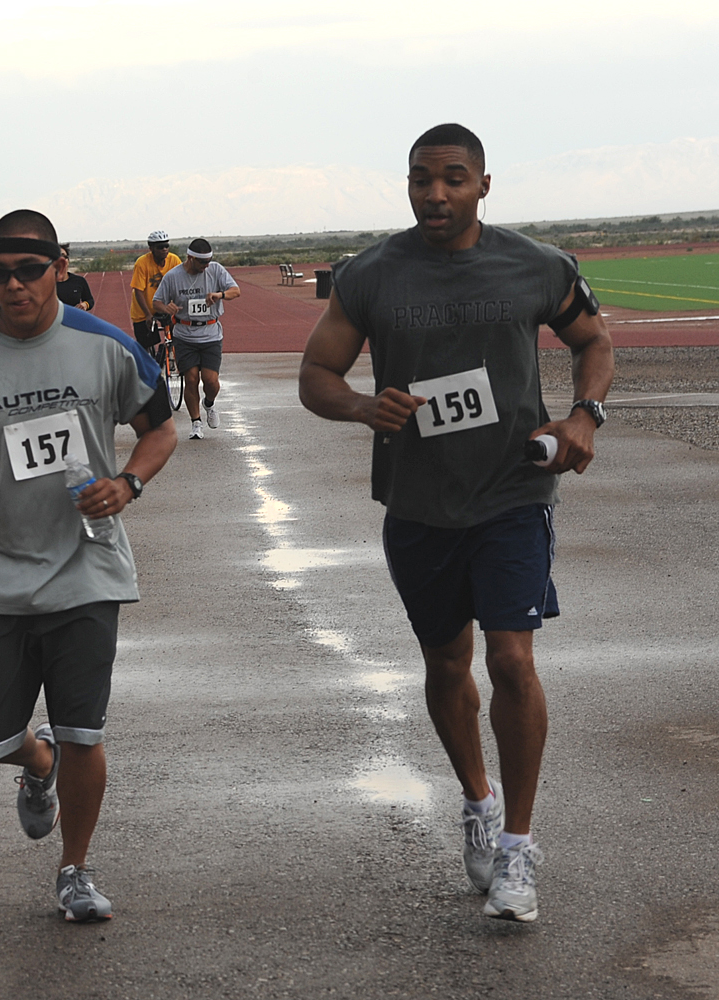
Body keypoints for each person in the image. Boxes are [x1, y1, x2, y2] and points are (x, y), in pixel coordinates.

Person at [298, 123, 613, 923]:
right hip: (418, 505)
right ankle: (476, 799)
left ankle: (516, 845)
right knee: (447, 667)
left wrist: (583, 415)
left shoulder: (535, 266)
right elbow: (316, 375)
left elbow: (593, 340)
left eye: (452, 178)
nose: (435, 193)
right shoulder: (371, 274)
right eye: (420, 179)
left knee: (511, 661)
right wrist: (366, 405)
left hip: (514, 493)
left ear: (483, 184)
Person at [0, 209, 178, 922]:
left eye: (28, 271)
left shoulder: (104, 347)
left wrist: (127, 483)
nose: (13, 287)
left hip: (83, 568)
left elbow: (160, 430)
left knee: (83, 731)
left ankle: (75, 868)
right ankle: (36, 768)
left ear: (58, 268)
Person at [153, 238, 240, 439]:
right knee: (191, 379)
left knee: (211, 380)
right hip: (184, 334)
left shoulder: (216, 270)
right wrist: (167, 308)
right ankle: (196, 422)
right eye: (202, 262)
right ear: (190, 259)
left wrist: (220, 295)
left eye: (209, 261)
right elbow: (157, 301)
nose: (206, 265)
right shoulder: (173, 276)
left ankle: (208, 403)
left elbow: (236, 291)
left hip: (210, 333)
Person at [128, 230, 182, 355]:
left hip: (164, 305)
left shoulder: (174, 261)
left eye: (166, 246)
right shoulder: (142, 263)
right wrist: (147, 314)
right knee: (145, 345)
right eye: (160, 247)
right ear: (151, 248)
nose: (164, 249)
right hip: (144, 307)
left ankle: (170, 352)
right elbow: (138, 291)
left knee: (178, 332)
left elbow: (181, 283)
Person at [54, 244, 94, 311]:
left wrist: (85, 304)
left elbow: (90, 300)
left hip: (73, 319)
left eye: (64, 256)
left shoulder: (79, 281)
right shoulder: (46, 283)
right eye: (57, 256)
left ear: (68, 261)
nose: (61, 259)